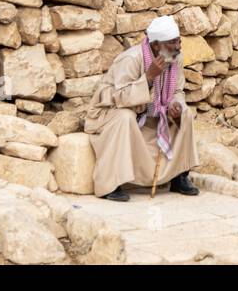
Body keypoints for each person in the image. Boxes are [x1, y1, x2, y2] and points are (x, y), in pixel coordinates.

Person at [82, 15, 199, 202]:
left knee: (185, 113)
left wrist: (175, 104)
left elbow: (177, 90)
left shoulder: (176, 57)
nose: (178, 47)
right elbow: (119, 97)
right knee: (125, 117)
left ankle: (179, 176)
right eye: (171, 43)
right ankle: (111, 183)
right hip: (108, 112)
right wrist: (149, 78)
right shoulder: (131, 59)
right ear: (156, 45)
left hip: (149, 114)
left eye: (178, 41)